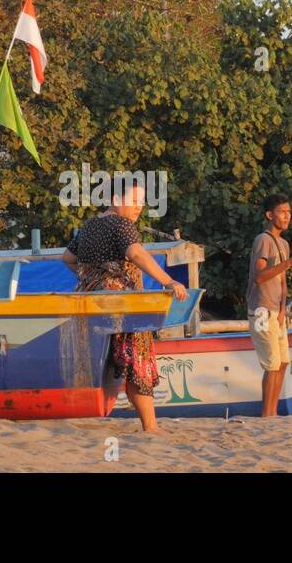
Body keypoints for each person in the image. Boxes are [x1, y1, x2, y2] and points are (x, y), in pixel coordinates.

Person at [61, 180, 188, 433]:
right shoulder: (122, 224)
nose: (139, 207)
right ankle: (150, 426)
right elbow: (136, 254)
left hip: (91, 305)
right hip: (123, 307)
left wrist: (92, 278)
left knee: (106, 361)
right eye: (134, 201)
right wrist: (169, 281)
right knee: (138, 360)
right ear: (117, 200)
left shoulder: (89, 226)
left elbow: (67, 258)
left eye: (142, 202)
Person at [247, 194, 292, 417]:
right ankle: (267, 415)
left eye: (289, 212)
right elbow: (260, 276)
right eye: (282, 212)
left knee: (283, 362)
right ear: (270, 215)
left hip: (276, 310)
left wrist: (283, 309)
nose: (287, 216)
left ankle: (272, 412)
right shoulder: (263, 240)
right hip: (262, 309)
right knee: (272, 364)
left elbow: (282, 279)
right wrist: (290, 263)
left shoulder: (283, 243)